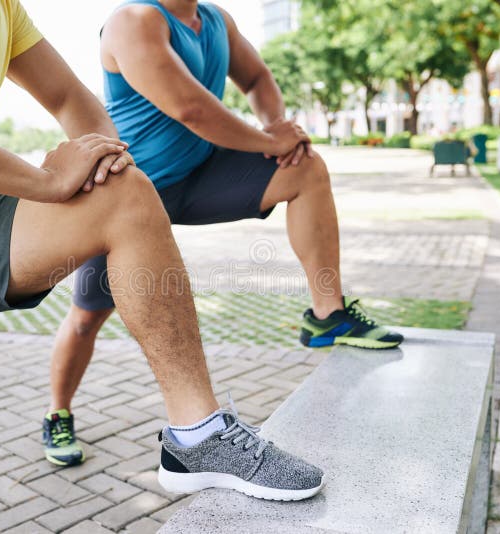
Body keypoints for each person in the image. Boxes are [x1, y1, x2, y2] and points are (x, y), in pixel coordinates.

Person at [0, 0, 325, 509]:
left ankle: (199, 433)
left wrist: (105, 161)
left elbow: (72, 98)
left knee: (125, 195)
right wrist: (46, 181)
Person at [42, 0, 404, 467]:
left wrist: (277, 127)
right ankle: (58, 411)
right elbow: (190, 108)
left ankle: (327, 314)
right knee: (87, 317)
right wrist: (272, 141)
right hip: (130, 193)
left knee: (306, 170)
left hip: (200, 176)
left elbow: (255, 79)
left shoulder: (215, 20)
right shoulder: (134, 21)